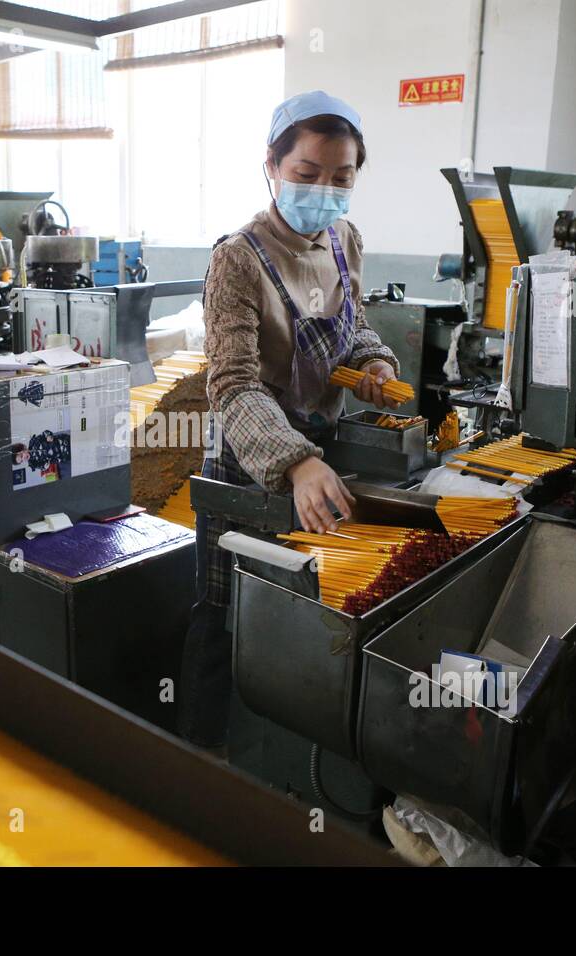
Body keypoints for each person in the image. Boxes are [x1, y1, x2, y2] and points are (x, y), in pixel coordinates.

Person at [178, 91, 401, 752]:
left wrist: (374, 366)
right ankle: (195, 764)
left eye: (341, 178)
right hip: (252, 466)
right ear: (271, 168)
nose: (324, 191)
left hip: (322, 459)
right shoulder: (237, 261)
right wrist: (294, 462)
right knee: (224, 619)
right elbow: (234, 383)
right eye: (307, 175)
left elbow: (351, 330)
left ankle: (285, 754)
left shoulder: (345, 240)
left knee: (304, 611)